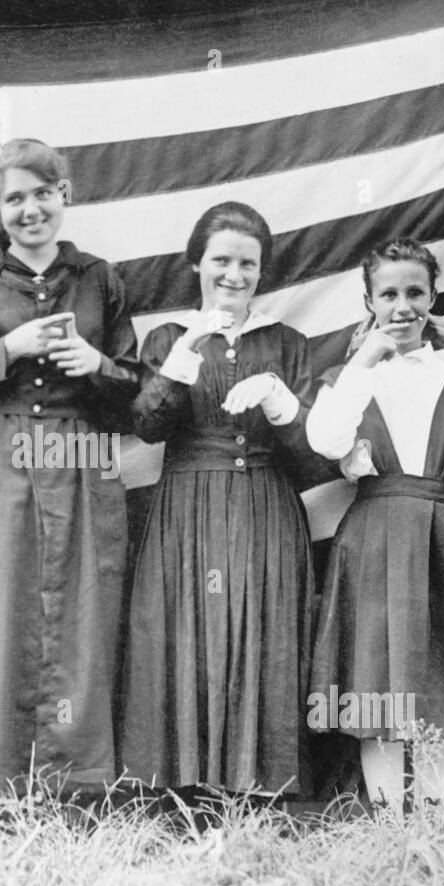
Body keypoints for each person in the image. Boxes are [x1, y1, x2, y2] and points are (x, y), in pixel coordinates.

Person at [0, 138, 139, 794]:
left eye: (43, 193)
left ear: (64, 196)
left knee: (77, 613)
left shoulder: (99, 277)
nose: (30, 209)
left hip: (78, 458)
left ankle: (72, 781)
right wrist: (7, 351)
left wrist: (97, 366)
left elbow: (140, 396)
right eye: (14, 198)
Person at [306, 238, 444, 812]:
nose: (402, 306)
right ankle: (388, 825)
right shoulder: (352, 378)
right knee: (379, 685)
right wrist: (365, 358)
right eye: (389, 294)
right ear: (370, 300)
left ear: (432, 297)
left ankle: (433, 818)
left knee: (438, 686)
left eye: (414, 293)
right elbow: (325, 441)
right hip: (374, 540)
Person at [121, 201, 314, 792]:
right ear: (196, 264)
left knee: (263, 631)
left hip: (264, 505)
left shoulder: (285, 341)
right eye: (221, 261)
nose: (234, 275)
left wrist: (279, 399)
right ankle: (184, 785)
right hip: (188, 507)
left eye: (248, 264)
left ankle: (261, 785)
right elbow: (147, 426)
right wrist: (191, 345)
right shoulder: (169, 337)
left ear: (263, 272)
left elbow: (315, 452)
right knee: (189, 634)